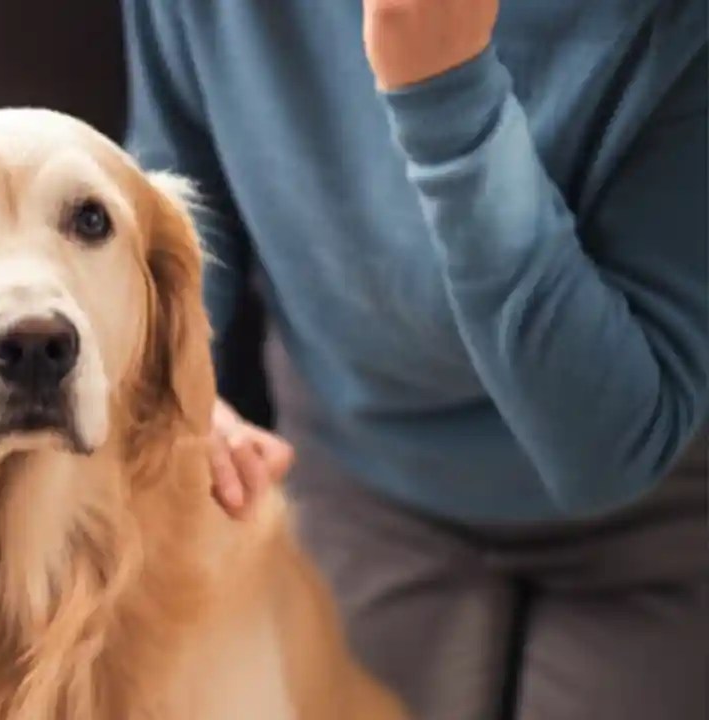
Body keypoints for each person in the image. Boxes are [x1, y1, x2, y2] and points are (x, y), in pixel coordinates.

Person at [121, 1, 708, 718]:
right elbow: (179, 186)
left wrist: (448, 97)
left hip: (651, 508)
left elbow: (610, 449)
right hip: (351, 472)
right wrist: (179, 388)